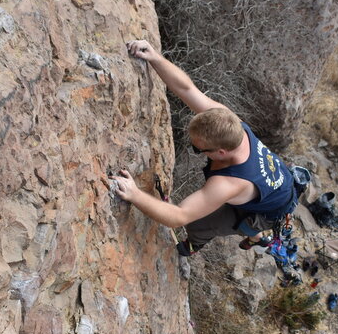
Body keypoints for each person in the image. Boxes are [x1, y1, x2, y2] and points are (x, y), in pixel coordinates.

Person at [112, 40, 297, 256]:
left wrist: (134, 194)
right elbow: (187, 88)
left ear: (220, 152)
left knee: (200, 224)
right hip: (274, 182)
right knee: (232, 210)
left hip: (274, 208)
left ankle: (207, 242)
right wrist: (154, 57)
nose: (194, 150)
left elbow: (179, 216)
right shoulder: (226, 122)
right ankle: (256, 235)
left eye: (199, 149)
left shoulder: (228, 184)